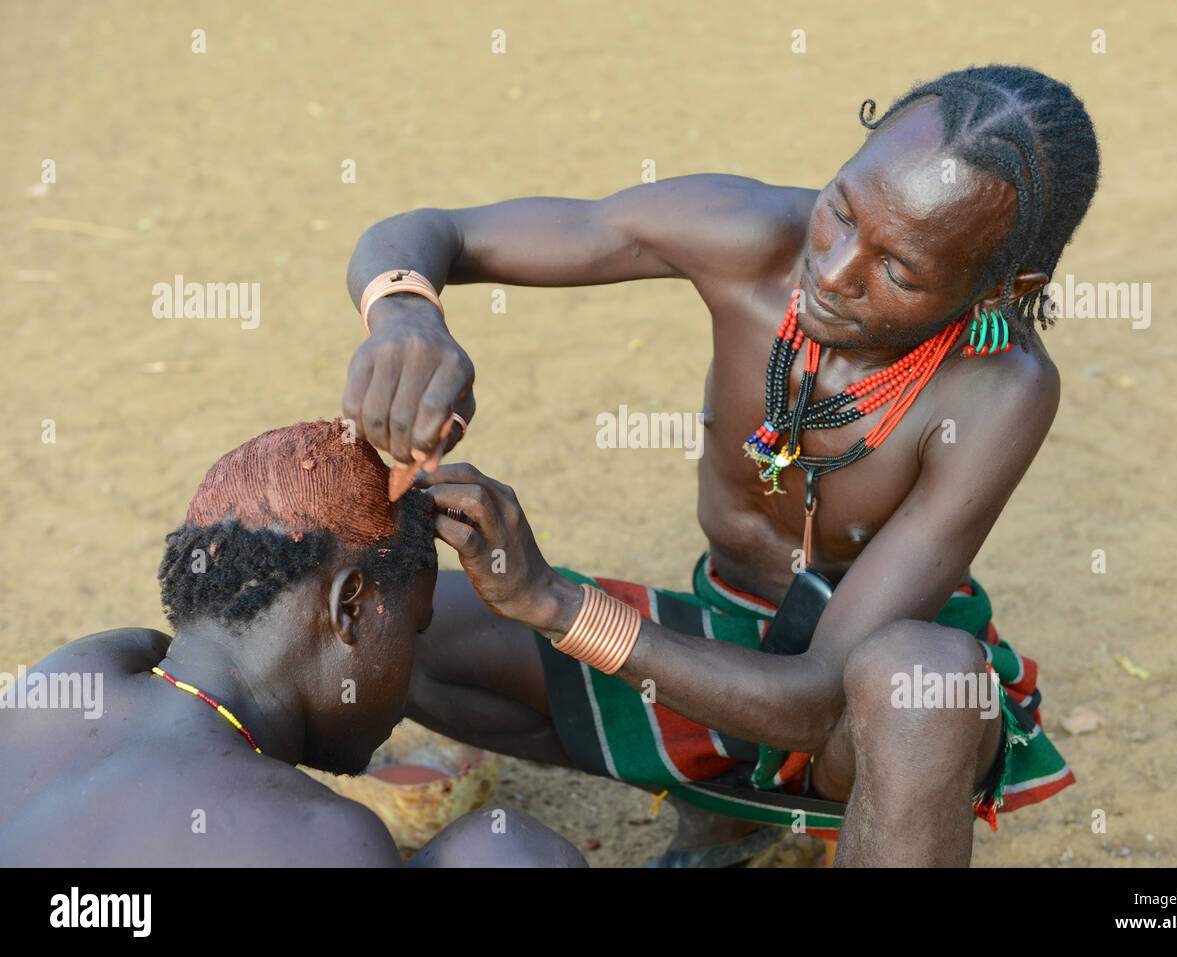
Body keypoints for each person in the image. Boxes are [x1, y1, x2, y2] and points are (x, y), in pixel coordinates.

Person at [342, 64, 1101, 866]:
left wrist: (553, 601)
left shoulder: (1001, 388)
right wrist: (404, 316)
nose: (834, 271)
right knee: (377, 618)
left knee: (923, 681)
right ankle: (727, 815)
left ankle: (834, 819)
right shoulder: (747, 233)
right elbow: (434, 233)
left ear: (1000, 289)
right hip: (715, 637)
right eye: (839, 209)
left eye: (899, 270)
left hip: (854, 712)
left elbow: (814, 695)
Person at [0, 420, 584, 868]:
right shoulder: (319, 838)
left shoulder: (82, 669)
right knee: (505, 854)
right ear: (349, 608)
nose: (409, 677)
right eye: (415, 628)